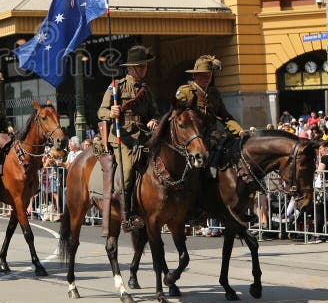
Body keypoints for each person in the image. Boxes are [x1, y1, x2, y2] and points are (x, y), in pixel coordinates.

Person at [96, 45, 160, 234]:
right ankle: (127, 215)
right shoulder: (116, 86)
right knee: (128, 170)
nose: (144, 70)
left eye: (145, 66)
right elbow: (101, 111)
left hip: (143, 136)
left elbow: (154, 112)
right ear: (131, 68)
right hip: (121, 136)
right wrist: (112, 111)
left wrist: (154, 121)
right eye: (140, 67)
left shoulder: (146, 90)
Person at [175, 54, 245, 178]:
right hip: (194, 136)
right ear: (195, 75)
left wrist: (239, 130)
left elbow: (225, 117)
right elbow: (178, 115)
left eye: (209, 74)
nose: (207, 77)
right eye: (203, 74)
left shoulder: (214, 93)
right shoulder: (186, 91)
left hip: (213, 135)